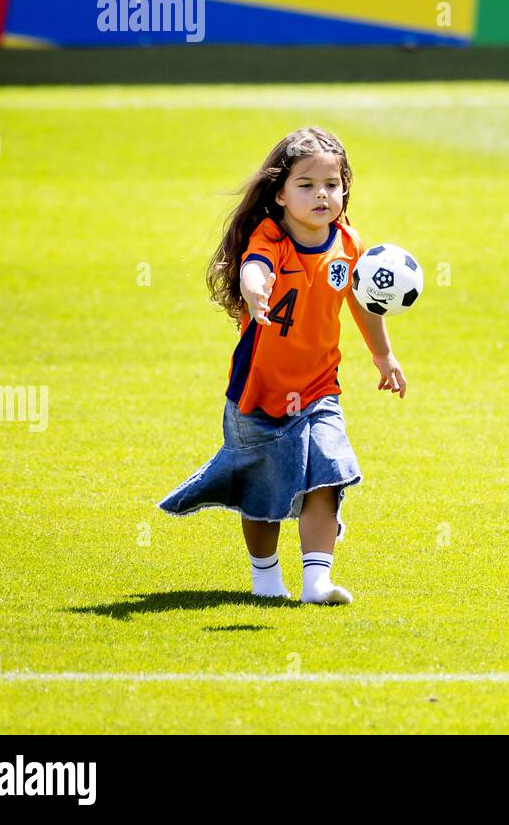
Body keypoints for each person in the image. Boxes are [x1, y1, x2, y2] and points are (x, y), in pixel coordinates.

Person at [157, 126, 408, 604]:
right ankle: (266, 576)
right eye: (307, 185)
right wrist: (253, 289)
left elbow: (363, 302)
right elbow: (256, 266)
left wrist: (383, 355)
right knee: (264, 490)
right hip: (259, 390)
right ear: (280, 193)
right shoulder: (271, 235)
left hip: (319, 388)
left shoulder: (348, 242)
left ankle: (317, 582)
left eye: (332, 186)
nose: (322, 195)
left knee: (329, 472)